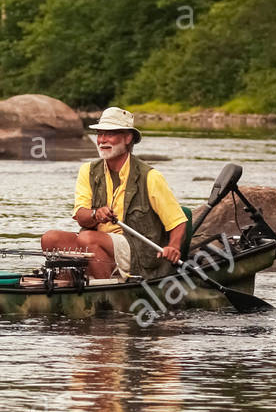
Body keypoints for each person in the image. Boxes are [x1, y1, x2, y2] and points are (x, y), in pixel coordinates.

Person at [41, 106, 187, 281]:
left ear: (127, 138)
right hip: (97, 244)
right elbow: (81, 215)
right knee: (50, 239)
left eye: (109, 134)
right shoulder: (87, 171)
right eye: (100, 134)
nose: (102, 140)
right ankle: (66, 284)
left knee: (88, 239)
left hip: (138, 251)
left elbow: (178, 221)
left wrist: (174, 247)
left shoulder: (151, 176)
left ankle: (105, 289)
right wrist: (95, 214)